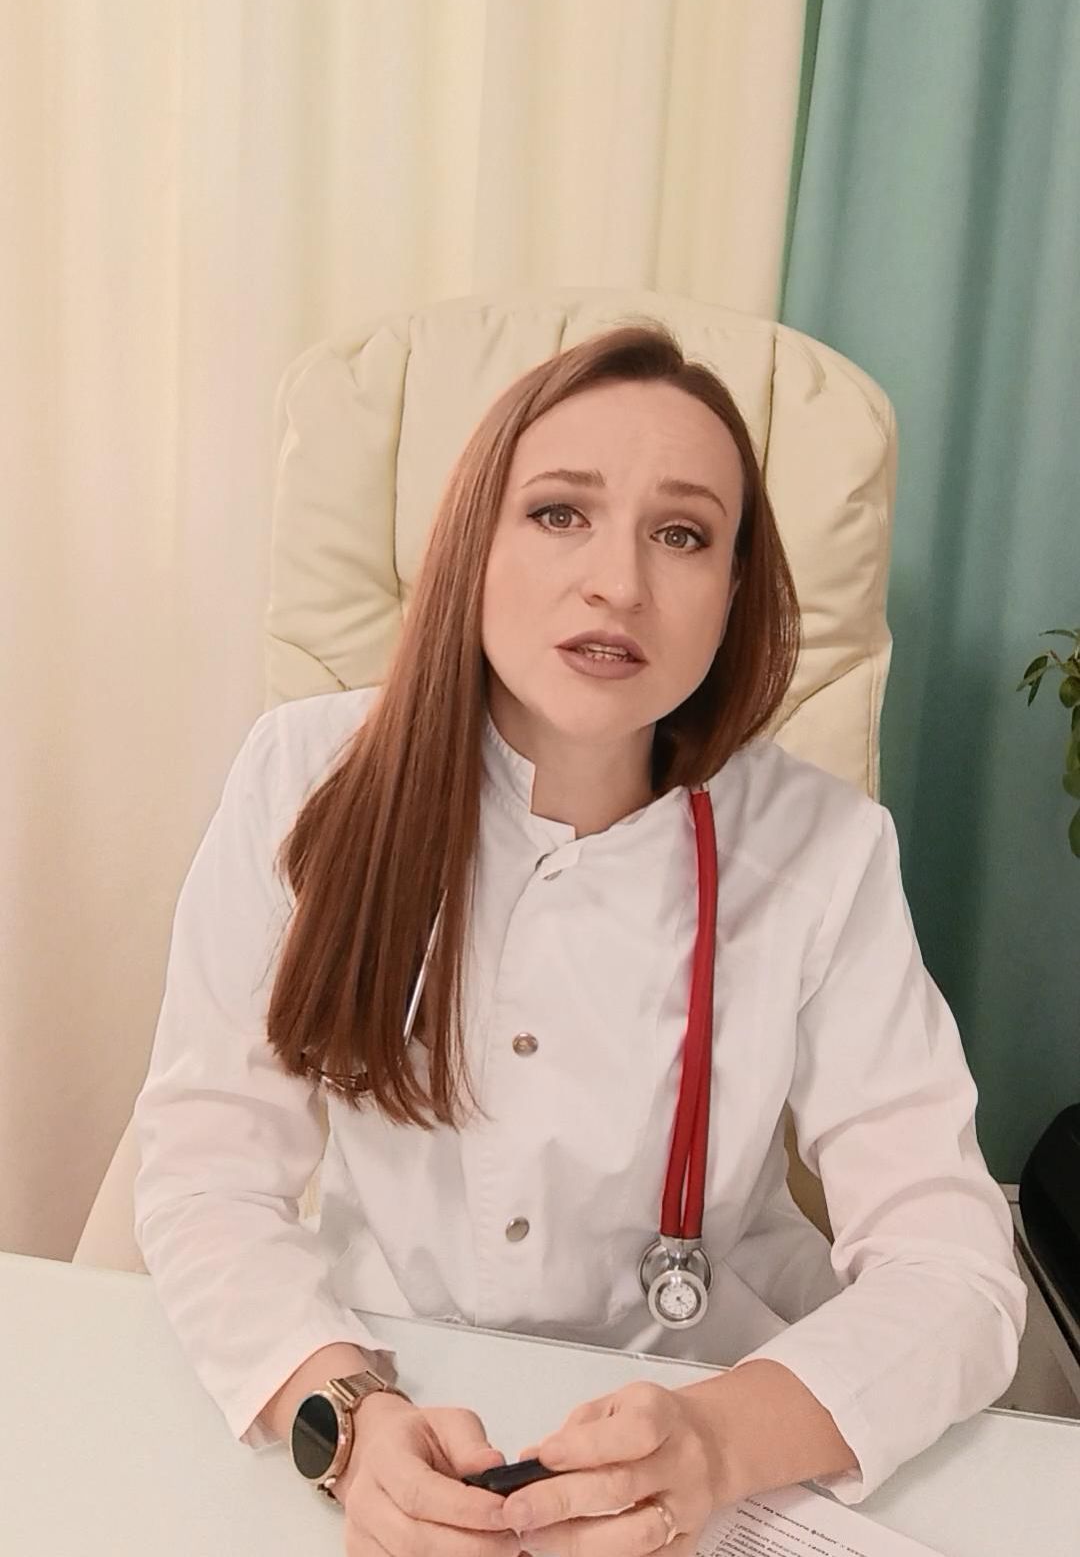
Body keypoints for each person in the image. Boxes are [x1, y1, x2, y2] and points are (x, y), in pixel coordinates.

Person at [133, 321, 1025, 1557]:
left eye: (684, 533)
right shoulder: (303, 778)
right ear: (474, 545)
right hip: (391, 1380)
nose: (619, 582)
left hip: (712, 1427)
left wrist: (715, 1441)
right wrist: (347, 1419)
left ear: (734, 593)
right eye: (560, 512)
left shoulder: (823, 848)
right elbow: (208, 1172)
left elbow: (957, 1267)